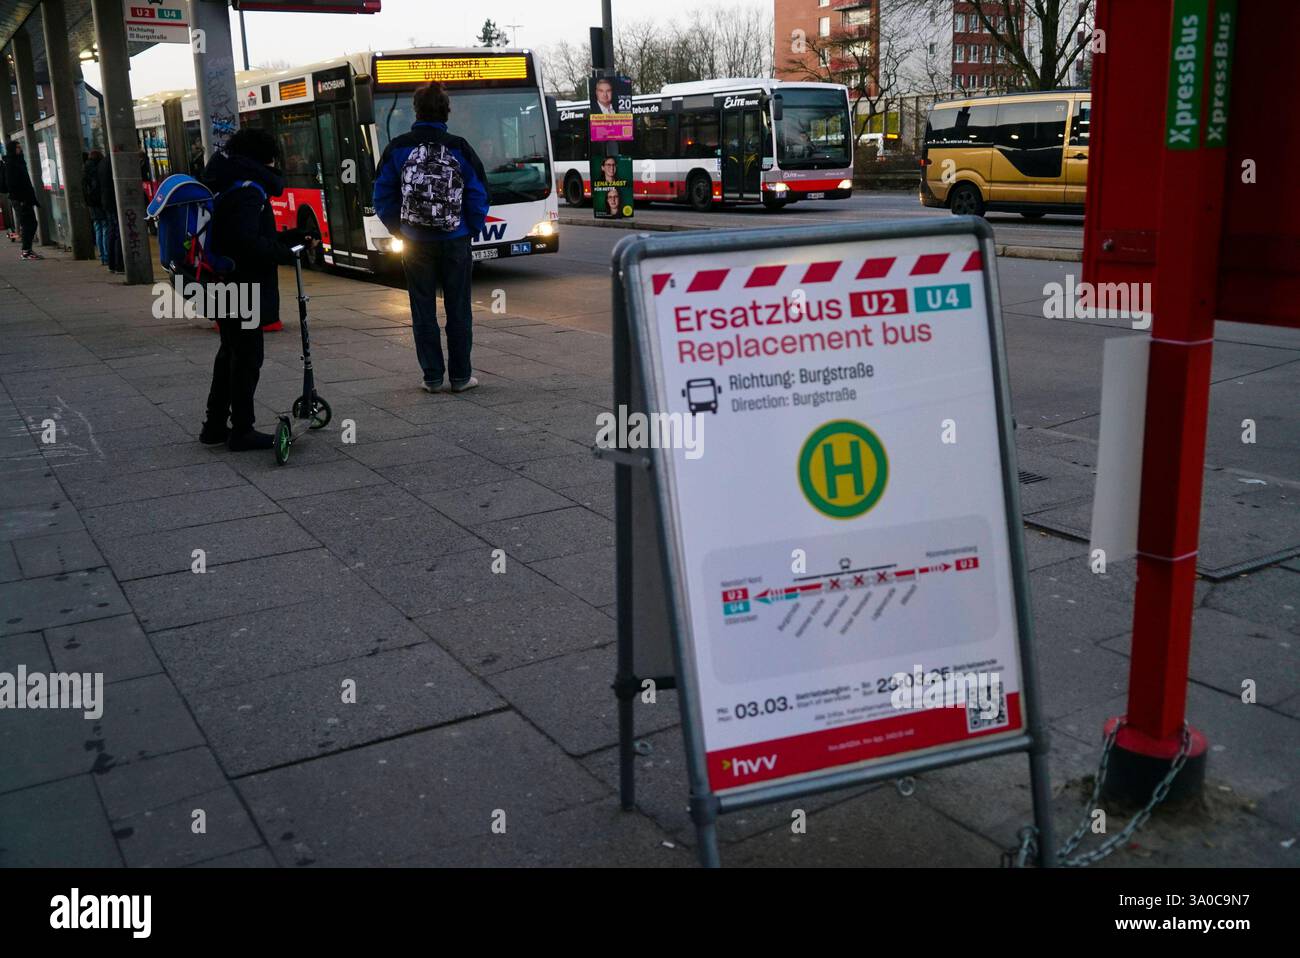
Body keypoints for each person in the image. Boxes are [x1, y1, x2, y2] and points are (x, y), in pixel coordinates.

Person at [199, 127, 315, 451]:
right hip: (242, 285)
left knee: (230, 352)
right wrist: (282, 253)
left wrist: (289, 238)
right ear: (266, 157)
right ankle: (242, 430)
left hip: (224, 281)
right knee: (247, 357)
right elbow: (245, 242)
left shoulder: (230, 180)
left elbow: (244, 234)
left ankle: (215, 425)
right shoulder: (249, 189)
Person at [373, 81, 488, 394]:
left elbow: (381, 194)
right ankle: (461, 377)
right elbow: (478, 193)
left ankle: (433, 377)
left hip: (415, 242)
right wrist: (471, 228)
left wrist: (400, 228)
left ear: (415, 110)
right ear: (446, 111)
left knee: (422, 309)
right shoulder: (460, 147)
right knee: (459, 309)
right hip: (456, 239)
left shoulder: (398, 148)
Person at [5, 143, 41, 261]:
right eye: (18, 147)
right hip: (21, 199)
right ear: (13, 149)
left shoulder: (19, 161)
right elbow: (12, 184)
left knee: (31, 223)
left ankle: (27, 249)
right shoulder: (11, 164)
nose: (20, 149)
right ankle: (26, 251)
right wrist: (21, 200)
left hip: (25, 199)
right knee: (28, 224)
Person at [82, 150, 110, 266]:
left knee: (98, 227)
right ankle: (106, 255)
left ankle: (102, 255)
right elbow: (98, 188)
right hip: (99, 203)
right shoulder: (97, 169)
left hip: (91, 204)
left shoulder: (85, 169)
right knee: (105, 227)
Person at [97, 151, 123, 273]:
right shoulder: (114, 163)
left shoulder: (102, 163)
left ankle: (111, 262)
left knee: (111, 231)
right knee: (118, 232)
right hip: (114, 201)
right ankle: (119, 264)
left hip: (106, 202)